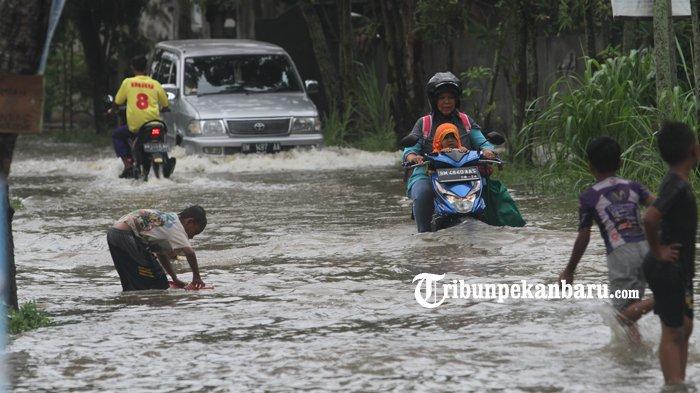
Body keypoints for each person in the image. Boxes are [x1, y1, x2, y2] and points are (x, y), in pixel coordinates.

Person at [559, 136, 655, 338]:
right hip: (647, 250)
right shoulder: (634, 187)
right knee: (631, 315)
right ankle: (636, 361)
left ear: (589, 166)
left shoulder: (589, 197)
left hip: (621, 256)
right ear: (621, 162)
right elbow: (660, 207)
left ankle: (667, 298)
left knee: (622, 316)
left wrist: (569, 270)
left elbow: (584, 236)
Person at [642, 121, 699, 385]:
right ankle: (673, 385)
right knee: (673, 330)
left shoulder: (678, 182)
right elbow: (650, 218)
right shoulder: (676, 184)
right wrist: (658, 251)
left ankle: (679, 381)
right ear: (693, 150)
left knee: (685, 327)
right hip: (668, 266)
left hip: (680, 267)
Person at [403, 72, 496, 233]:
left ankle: (493, 231)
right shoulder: (424, 123)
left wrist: (488, 152)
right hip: (428, 174)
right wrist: (413, 157)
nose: (446, 102)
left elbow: (483, 143)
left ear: (456, 100)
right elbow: (410, 150)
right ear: (434, 100)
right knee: (422, 194)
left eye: (450, 98)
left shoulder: (466, 121)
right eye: (441, 98)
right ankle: (424, 236)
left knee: (488, 189)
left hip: (466, 174)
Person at [107, 205, 207, 291]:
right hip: (125, 236)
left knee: (131, 277)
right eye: (194, 232)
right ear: (190, 222)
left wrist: (174, 278)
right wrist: (197, 277)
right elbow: (189, 252)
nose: (191, 237)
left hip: (114, 234)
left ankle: (133, 298)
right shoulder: (177, 228)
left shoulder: (169, 220)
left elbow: (161, 254)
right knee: (156, 279)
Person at [109, 55, 175, 178]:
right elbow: (165, 104)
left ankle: (128, 166)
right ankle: (166, 158)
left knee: (117, 135)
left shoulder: (128, 82)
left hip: (136, 127)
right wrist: (164, 108)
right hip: (155, 124)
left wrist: (112, 110)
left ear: (132, 67)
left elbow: (117, 102)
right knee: (162, 136)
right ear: (147, 68)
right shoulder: (155, 84)